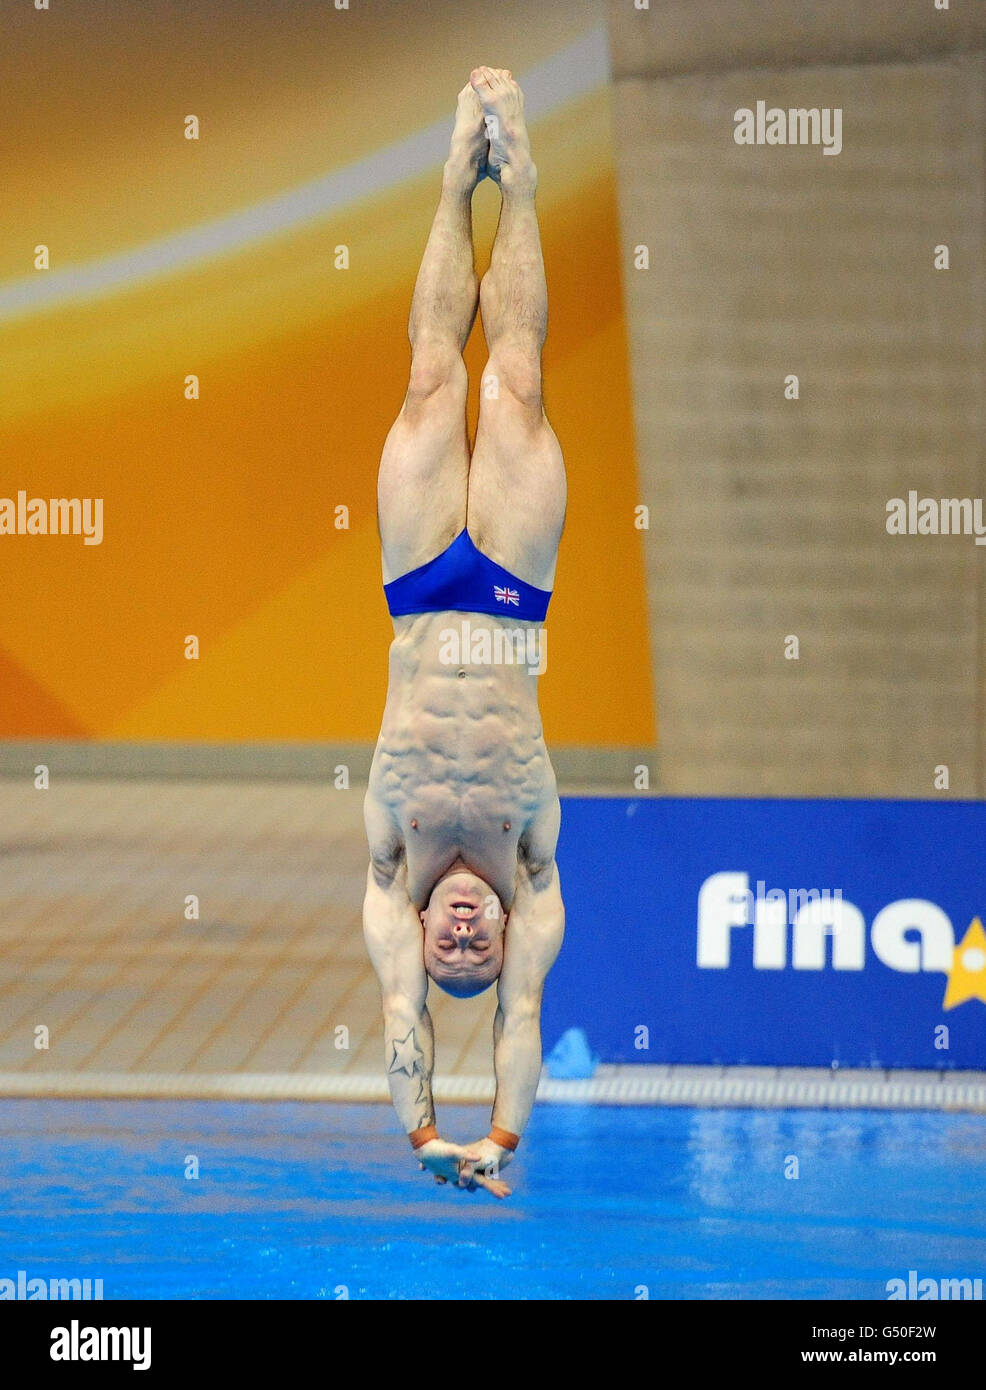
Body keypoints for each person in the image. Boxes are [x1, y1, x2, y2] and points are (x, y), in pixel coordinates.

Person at [362, 68, 566, 1199]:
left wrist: (424, 1138)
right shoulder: (529, 874)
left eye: (450, 953)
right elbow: (521, 1019)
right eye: (472, 953)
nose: (457, 942)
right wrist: (501, 1138)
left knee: (435, 380)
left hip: (417, 581)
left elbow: (401, 1011)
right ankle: (520, 182)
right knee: (518, 387)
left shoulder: (390, 872)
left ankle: (454, 182)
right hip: (513, 594)